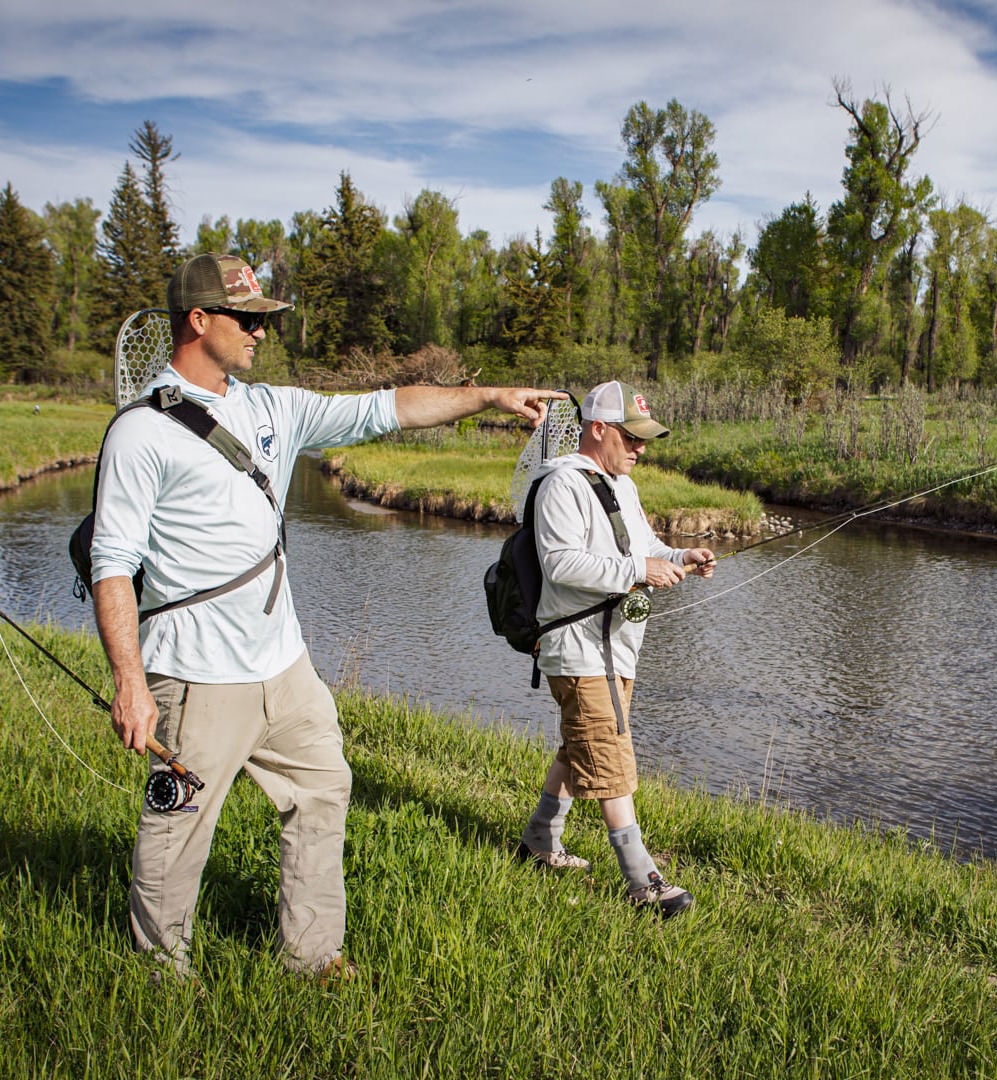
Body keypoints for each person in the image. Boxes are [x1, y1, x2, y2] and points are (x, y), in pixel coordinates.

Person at [91, 252, 565, 982]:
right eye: (247, 319)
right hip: (194, 674)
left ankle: (311, 956)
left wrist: (490, 397)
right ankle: (159, 972)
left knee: (324, 786)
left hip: (284, 667)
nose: (261, 333)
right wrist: (130, 680)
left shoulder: (272, 408)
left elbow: (387, 408)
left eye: (264, 320)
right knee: (178, 830)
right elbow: (112, 564)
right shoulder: (140, 433)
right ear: (199, 320)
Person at [516, 381, 714, 918]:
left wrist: (681, 556)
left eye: (644, 439)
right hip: (577, 648)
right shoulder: (561, 484)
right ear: (598, 428)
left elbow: (643, 546)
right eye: (631, 437)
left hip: (614, 649)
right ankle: (643, 883)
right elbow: (560, 563)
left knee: (581, 745)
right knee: (611, 758)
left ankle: (538, 841)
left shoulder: (622, 484)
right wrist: (638, 570)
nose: (640, 448)